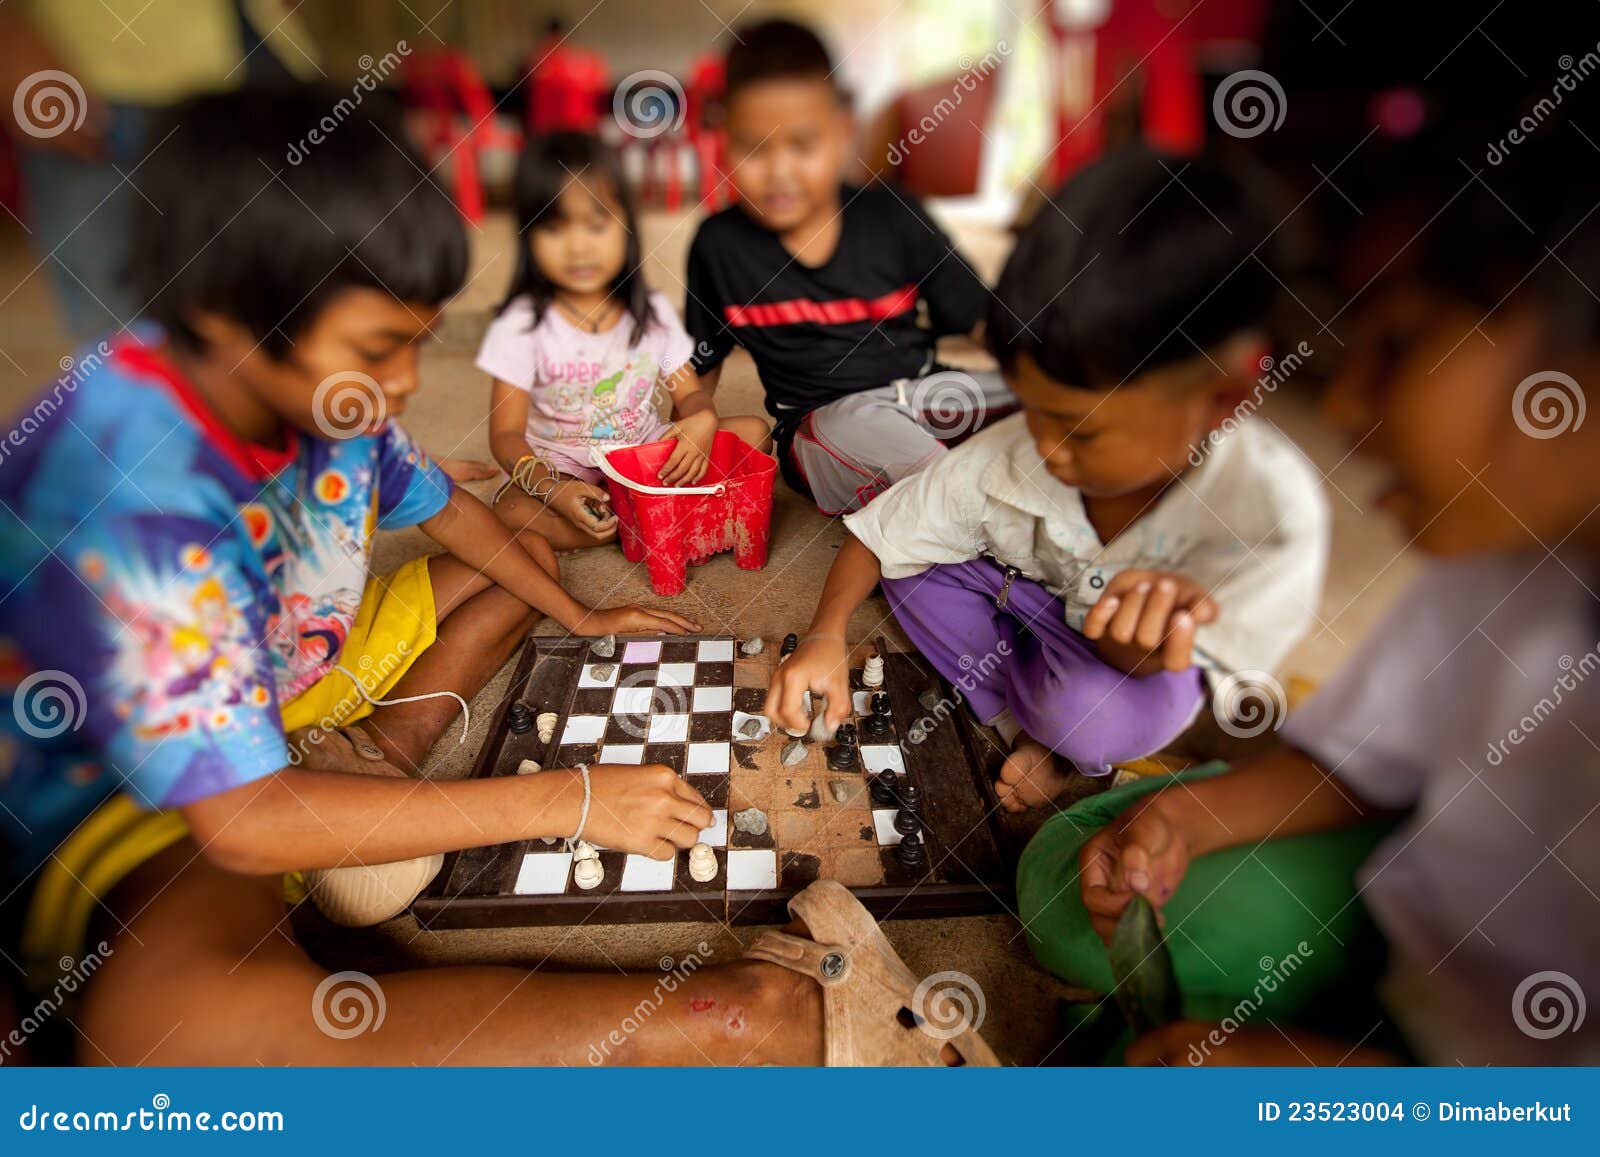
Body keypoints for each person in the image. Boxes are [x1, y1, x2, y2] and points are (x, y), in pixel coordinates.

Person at [0, 89, 998, 1067]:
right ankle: (746, 1017)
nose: (398, 385)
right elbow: (243, 813)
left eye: (414, 346)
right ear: (223, 320)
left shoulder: (337, 401)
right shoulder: (135, 498)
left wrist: (583, 613)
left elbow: (449, 509)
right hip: (135, 810)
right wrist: (568, 800)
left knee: (520, 539)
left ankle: (379, 749)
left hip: (290, 676)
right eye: (378, 349)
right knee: (165, 1041)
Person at [1030, 127, 1600, 1067]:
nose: (1341, 406)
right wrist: (1181, 821)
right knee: (1077, 880)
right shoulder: (1504, 560)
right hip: (1436, 925)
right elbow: (1364, 762)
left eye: (1400, 341)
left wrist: (1337, 1081)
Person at [767, 149, 1327, 809]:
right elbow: (884, 531)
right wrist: (827, 633)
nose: (1045, 448)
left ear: (1222, 397)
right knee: (906, 571)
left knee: (1095, 716)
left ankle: (1068, 752)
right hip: (1017, 589)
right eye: (1031, 412)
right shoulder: (1018, 446)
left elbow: (1200, 678)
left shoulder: (1271, 516)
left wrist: (1134, 650)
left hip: (1125, 672)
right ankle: (1017, 726)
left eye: (1078, 429)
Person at [684, 18, 1014, 515]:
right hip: (823, 423)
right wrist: (692, 417)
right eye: (753, 147)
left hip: (925, 393)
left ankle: (958, 485)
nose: (779, 173)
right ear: (722, 139)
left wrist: (1056, 382)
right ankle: (963, 500)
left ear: (842, 131)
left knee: (1061, 404)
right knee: (867, 436)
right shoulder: (719, 245)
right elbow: (696, 364)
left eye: (802, 145)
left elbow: (985, 321)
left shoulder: (894, 217)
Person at [480, 132, 770, 549]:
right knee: (510, 511)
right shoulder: (520, 325)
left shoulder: (649, 311)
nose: (579, 247)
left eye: (597, 225)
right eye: (555, 228)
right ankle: (649, 519)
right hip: (561, 465)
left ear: (626, 228)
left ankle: (633, 518)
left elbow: (689, 394)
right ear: (527, 237)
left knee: (754, 434)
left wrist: (703, 417)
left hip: (645, 452)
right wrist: (553, 491)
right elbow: (505, 436)